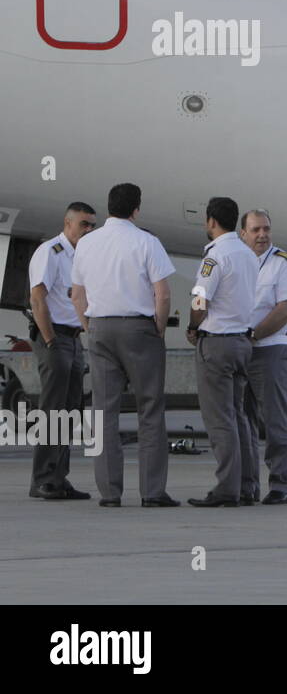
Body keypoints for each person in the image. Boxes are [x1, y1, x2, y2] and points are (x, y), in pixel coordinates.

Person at [70, 183, 176, 508]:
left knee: (103, 412)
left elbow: (77, 294)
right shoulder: (147, 241)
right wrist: (158, 327)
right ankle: (152, 492)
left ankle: (110, 493)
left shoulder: (87, 243)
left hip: (100, 329)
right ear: (136, 209)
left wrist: (90, 327)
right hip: (139, 329)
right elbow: (163, 293)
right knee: (150, 410)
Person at [186, 197, 257, 507]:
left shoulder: (215, 256)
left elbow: (201, 299)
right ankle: (248, 485)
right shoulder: (248, 253)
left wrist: (192, 326)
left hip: (217, 342)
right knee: (239, 416)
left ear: (211, 221)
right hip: (243, 341)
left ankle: (226, 488)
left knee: (219, 419)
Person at [27, 202, 97, 500]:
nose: (88, 230)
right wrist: (50, 340)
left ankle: (58, 477)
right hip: (54, 336)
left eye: (92, 225)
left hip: (73, 337)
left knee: (70, 411)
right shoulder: (50, 252)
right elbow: (38, 298)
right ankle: (43, 479)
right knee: (53, 409)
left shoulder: (81, 255)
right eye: (83, 224)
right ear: (67, 224)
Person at [236, 208, 287, 505]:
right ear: (243, 234)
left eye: (266, 229)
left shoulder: (283, 264)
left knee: (275, 420)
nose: (262, 235)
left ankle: (280, 483)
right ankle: (246, 484)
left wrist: (254, 335)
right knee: (241, 420)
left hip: (270, 349)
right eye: (255, 230)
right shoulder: (235, 260)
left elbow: (285, 308)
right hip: (238, 349)